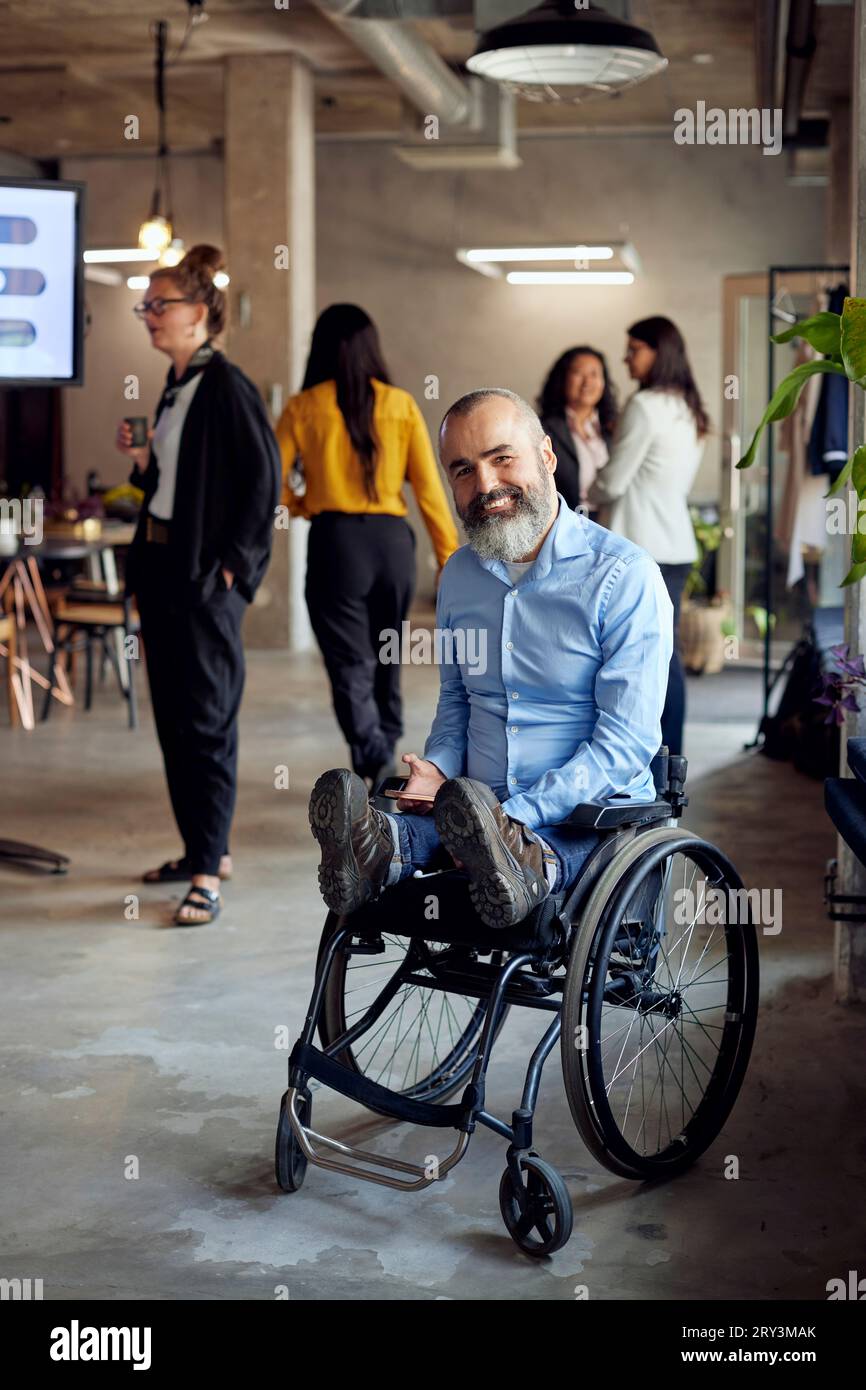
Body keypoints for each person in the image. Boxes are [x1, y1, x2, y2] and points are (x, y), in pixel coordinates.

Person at [307, 388, 673, 931]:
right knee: (441, 831)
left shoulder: (623, 577)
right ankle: (375, 850)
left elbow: (625, 745)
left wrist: (514, 816)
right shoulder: (459, 576)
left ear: (546, 456)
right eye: (463, 470)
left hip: (586, 816)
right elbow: (458, 701)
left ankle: (522, 864)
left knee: (522, 842)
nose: (486, 485)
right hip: (471, 814)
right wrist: (439, 767)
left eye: (503, 459)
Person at [117, 244, 280, 926]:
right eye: (145, 305)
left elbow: (262, 483)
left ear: (200, 312)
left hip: (202, 581)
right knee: (175, 722)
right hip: (162, 571)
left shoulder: (226, 386)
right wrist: (144, 464)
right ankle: (200, 848)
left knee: (206, 721)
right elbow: (176, 488)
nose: (149, 315)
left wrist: (233, 572)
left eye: (161, 304)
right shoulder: (177, 384)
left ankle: (208, 875)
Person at [276, 304, 459, 787]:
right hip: (393, 543)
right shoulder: (400, 404)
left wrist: (303, 503)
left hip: (337, 542)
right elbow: (428, 490)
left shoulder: (303, 406)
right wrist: (448, 558)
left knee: (348, 660)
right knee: (387, 652)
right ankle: (385, 750)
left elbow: (267, 483)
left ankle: (373, 755)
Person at [589, 316, 708, 756]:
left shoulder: (644, 406)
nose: (626, 358)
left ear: (660, 353)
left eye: (635, 348)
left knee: (633, 660)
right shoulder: (689, 406)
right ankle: (669, 761)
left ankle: (635, 760)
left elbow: (614, 482)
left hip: (640, 547)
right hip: (675, 544)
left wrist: (587, 486)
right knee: (666, 658)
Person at [538, 346, 618, 513]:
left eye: (594, 374)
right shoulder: (544, 429)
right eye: (578, 373)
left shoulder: (615, 428)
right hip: (568, 523)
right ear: (563, 379)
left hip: (612, 524)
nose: (587, 382)